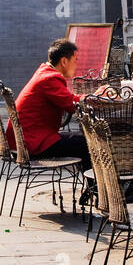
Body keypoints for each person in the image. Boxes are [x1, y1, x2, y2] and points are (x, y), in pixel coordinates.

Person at [7, 38, 92, 168]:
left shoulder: (44, 72)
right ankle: (95, 187)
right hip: (33, 144)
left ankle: (93, 186)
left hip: (27, 140)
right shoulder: (50, 78)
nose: (76, 65)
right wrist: (96, 96)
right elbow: (71, 104)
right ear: (64, 61)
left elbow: (67, 101)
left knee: (83, 140)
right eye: (75, 61)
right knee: (90, 143)